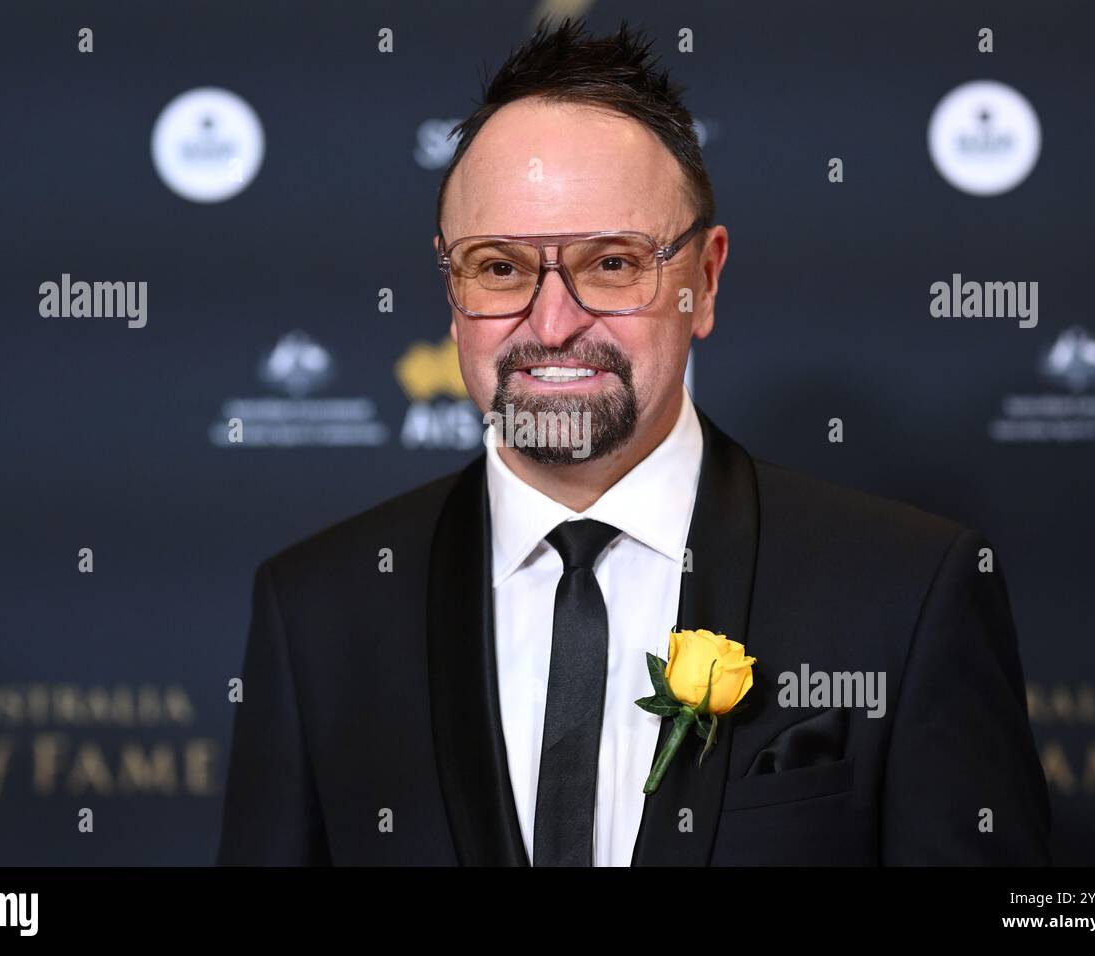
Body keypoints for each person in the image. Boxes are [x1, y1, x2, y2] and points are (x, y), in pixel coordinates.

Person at [217, 18, 1050, 866]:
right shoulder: (318, 610)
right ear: (450, 283)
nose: (552, 322)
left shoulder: (905, 593)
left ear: (706, 279)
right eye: (499, 266)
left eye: (613, 263)